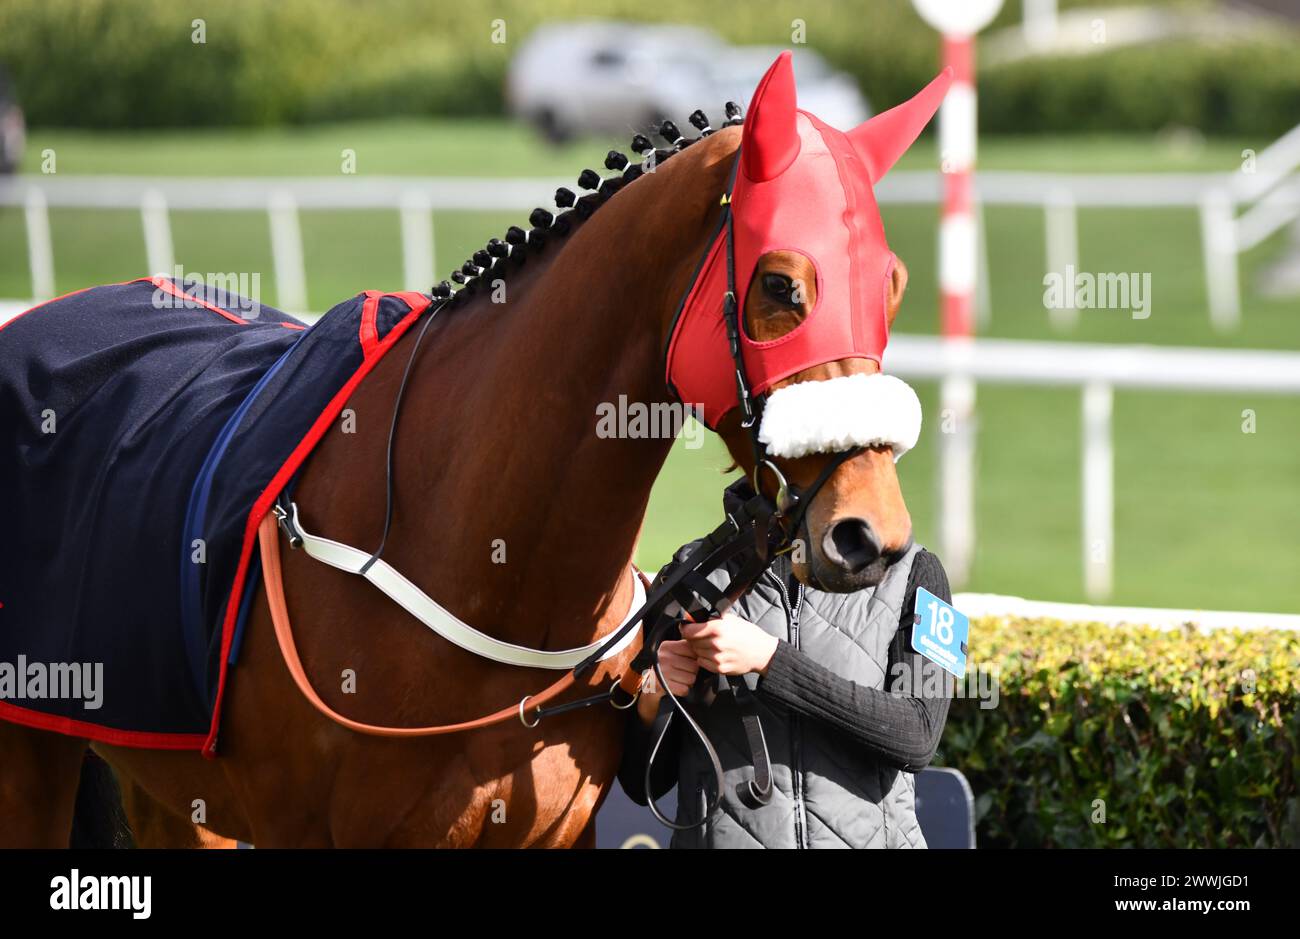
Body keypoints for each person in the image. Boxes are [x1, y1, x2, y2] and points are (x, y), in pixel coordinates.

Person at [619, 478, 954, 848]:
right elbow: (640, 785)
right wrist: (652, 698)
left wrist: (769, 659)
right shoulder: (688, 572)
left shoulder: (918, 570)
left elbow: (918, 736)